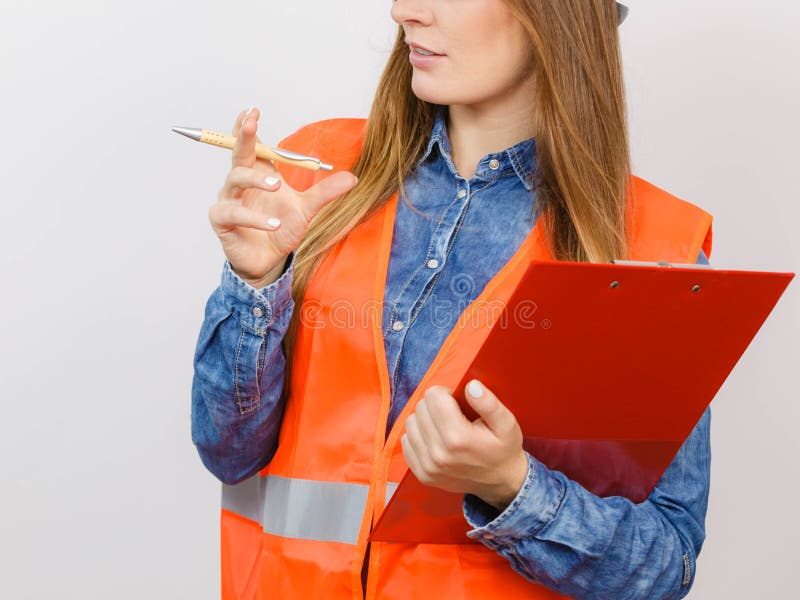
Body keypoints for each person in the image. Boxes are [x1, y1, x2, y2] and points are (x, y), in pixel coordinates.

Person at [191, 1, 712, 598]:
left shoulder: (651, 248)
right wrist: (255, 285)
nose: (403, 11)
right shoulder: (315, 176)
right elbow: (228, 454)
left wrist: (512, 487)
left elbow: (664, 567)